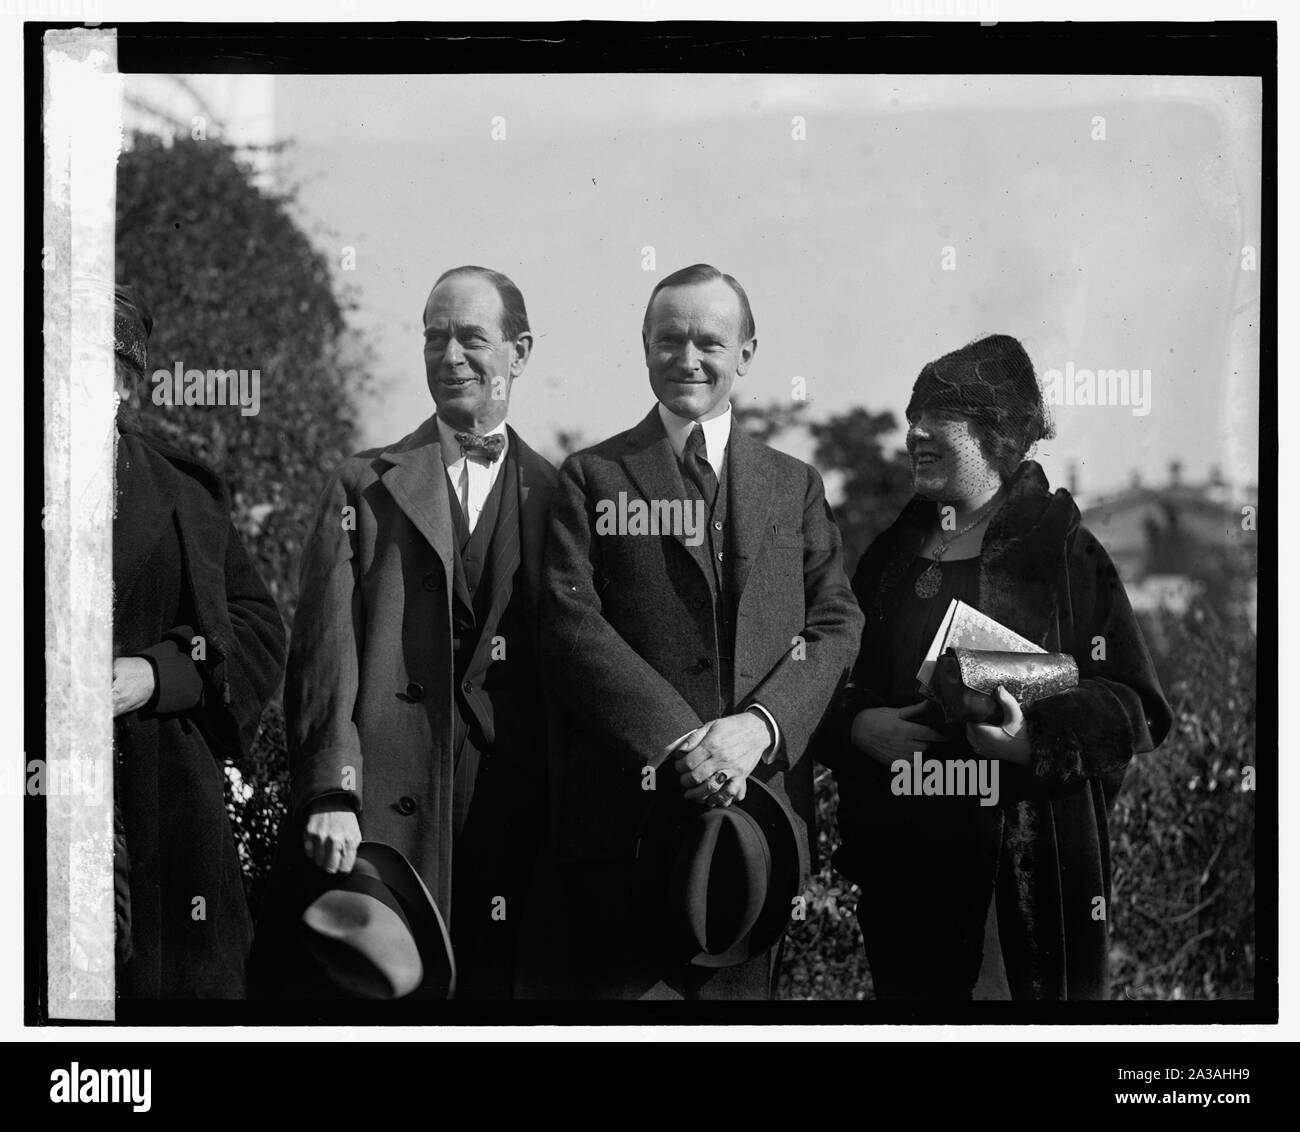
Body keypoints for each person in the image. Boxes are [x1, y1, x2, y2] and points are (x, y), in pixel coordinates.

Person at [542, 263, 863, 999]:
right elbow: (568, 623)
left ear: (746, 353)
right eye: (669, 340)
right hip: (632, 833)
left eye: (710, 343)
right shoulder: (592, 477)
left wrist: (760, 726)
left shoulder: (795, 483)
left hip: (760, 837)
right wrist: (684, 743)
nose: (688, 359)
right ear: (645, 347)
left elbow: (836, 621)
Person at [820, 333, 1171, 1000]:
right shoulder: (891, 558)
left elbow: (1135, 703)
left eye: (937, 417)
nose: (915, 431)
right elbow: (833, 679)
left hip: (1028, 883)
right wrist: (860, 725)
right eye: (911, 416)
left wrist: (1032, 740)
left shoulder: (1065, 553)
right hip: (910, 886)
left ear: (997, 435)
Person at [273, 266, 556, 999]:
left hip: (517, 811)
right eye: (435, 337)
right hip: (389, 810)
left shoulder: (564, 495)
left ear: (519, 354)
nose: (451, 355)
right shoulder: (362, 485)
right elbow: (322, 655)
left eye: (472, 338)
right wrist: (333, 791)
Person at [109, 282, 286, 1000]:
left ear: (125, 386)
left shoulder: (181, 494)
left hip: (161, 801)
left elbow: (256, 632)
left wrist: (156, 675)